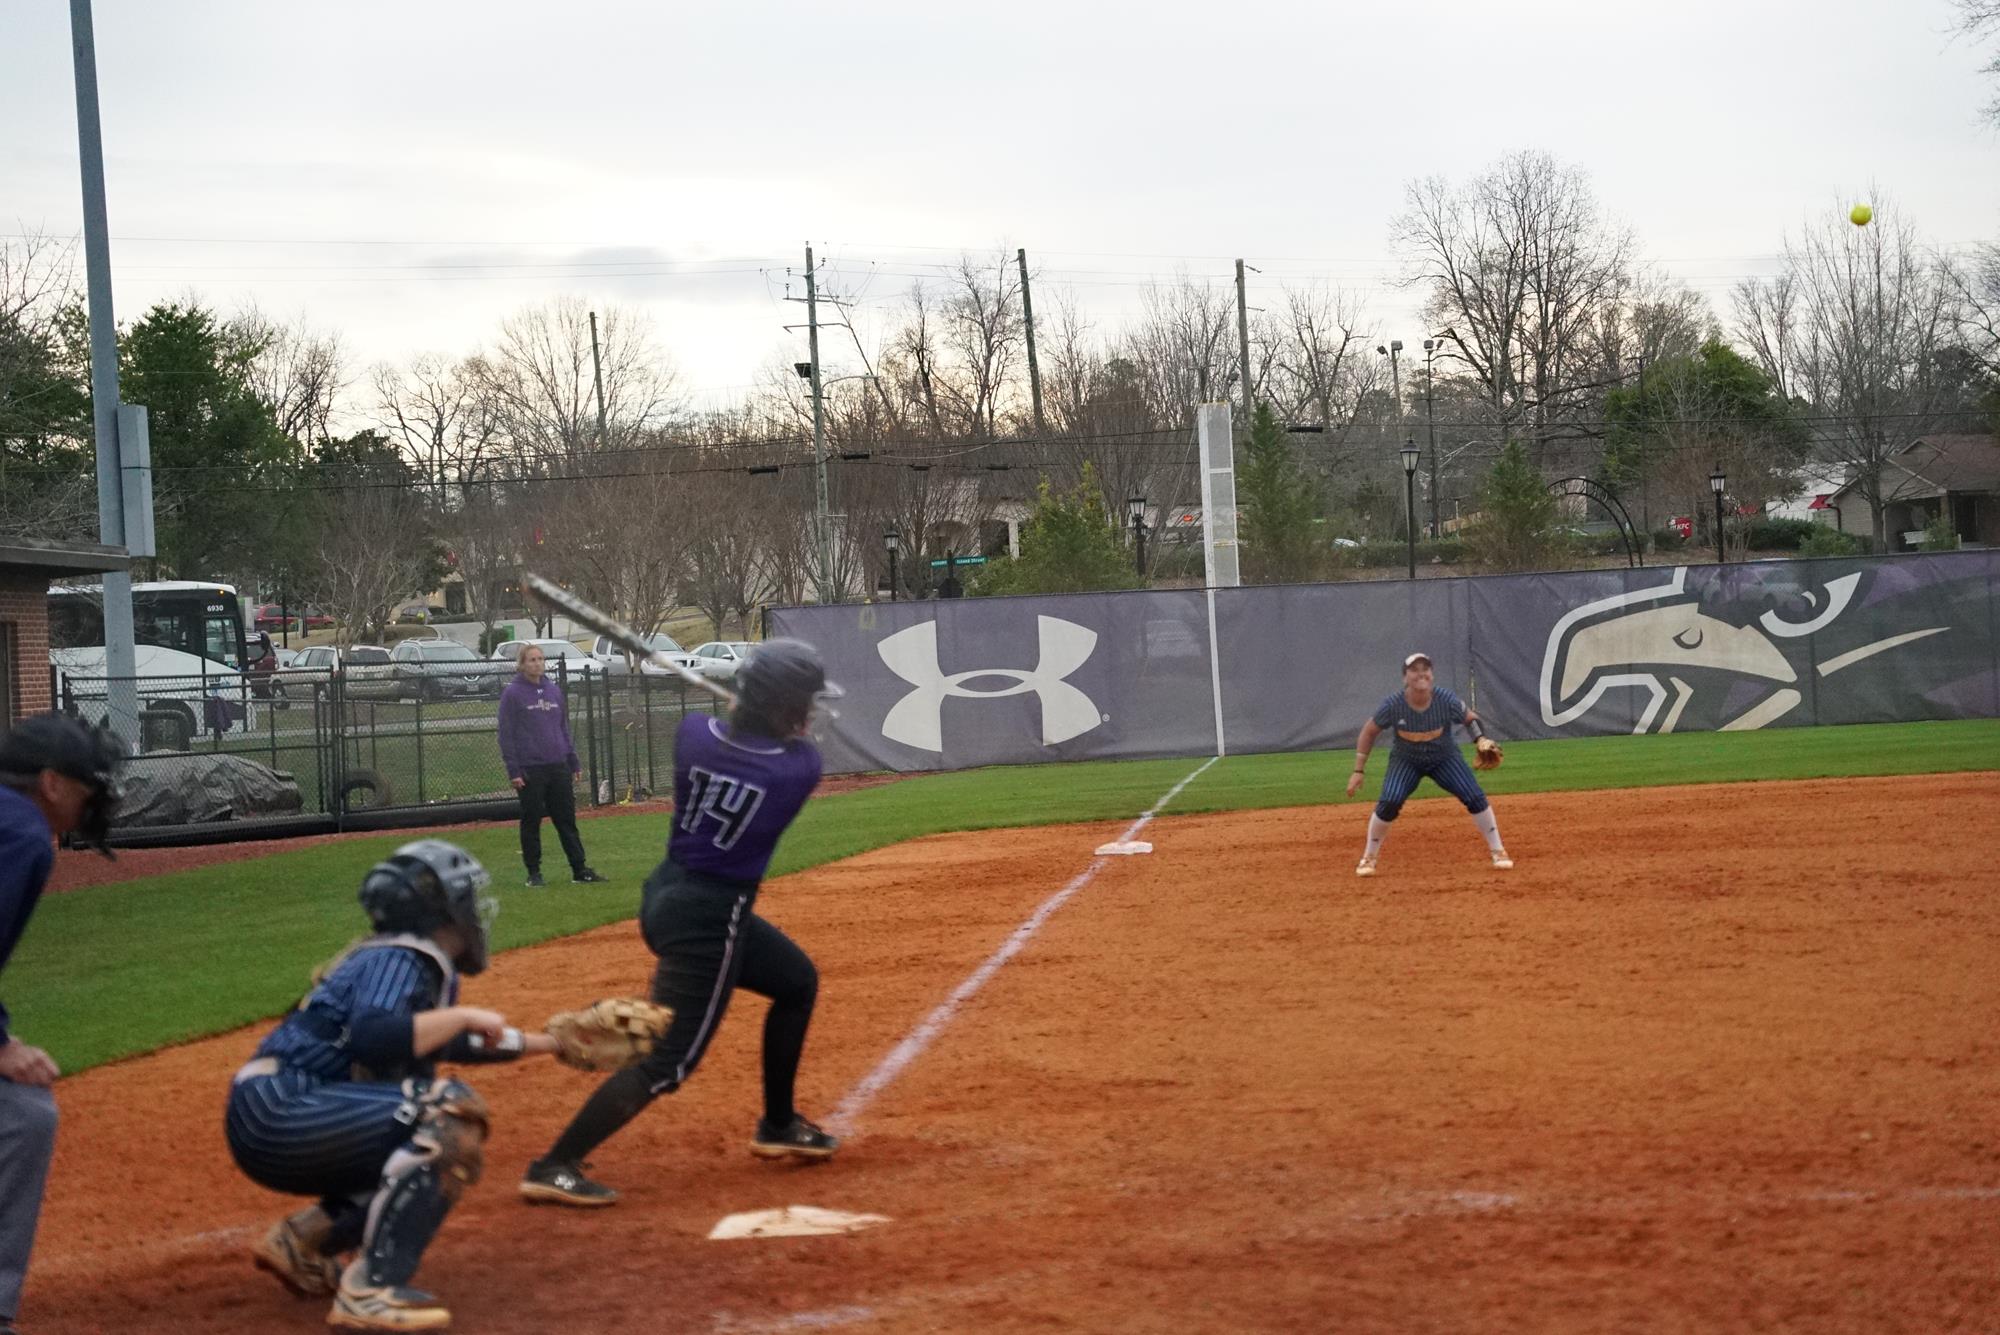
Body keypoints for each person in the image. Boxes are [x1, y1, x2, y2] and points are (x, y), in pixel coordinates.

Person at [519, 640, 841, 1208]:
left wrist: (752, 707)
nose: (809, 713)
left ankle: (779, 1122)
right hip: (711, 918)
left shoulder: (693, 735)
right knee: (668, 1062)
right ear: (778, 709)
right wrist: (759, 711)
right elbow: (789, 744)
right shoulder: (798, 770)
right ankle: (554, 1164)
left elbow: (724, 729)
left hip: (666, 893)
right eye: (801, 704)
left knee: (795, 981)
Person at [225, 839, 563, 1331]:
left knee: (408, 1136)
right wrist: (464, 1013)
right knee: (446, 1115)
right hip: (284, 1110)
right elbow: (375, 1038)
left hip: (281, 1109)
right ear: (443, 909)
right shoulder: (404, 957)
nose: (477, 911)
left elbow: (439, 1043)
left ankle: (303, 1242)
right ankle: (371, 1288)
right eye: (468, 898)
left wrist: (549, 1043)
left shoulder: (392, 958)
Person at [0, 715, 121, 1335]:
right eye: (84, 785)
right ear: (50, 783)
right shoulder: (21, 833)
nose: (90, 798)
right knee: (24, 1116)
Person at [1345, 652, 1512, 876]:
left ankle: (1498, 850)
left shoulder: (1445, 699)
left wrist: (1480, 739)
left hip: (1444, 758)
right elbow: (1369, 731)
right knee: (1390, 801)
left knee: (1474, 796)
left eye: (1425, 669)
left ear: (1432, 675)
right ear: (1405, 678)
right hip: (1406, 761)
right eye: (1414, 670)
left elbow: (1470, 718)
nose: (1421, 673)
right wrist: (1358, 770)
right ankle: (1369, 857)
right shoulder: (1394, 705)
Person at [497, 644, 605, 888]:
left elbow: (562, 729)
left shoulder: (554, 691)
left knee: (566, 820)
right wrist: (513, 769)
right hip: (530, 768)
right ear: (522, 664)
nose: (537, 663)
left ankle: (579, 869)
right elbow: (506, 734)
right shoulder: (513, 694)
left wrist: (573, 761)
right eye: (531, 660)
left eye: (540, 659)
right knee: (531, 821)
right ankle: (534, 873)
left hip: (558, 766)